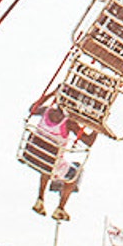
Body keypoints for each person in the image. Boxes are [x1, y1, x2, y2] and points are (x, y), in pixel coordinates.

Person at [28, 93, 97, 221]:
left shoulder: (45, 111)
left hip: (34, 155)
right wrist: (96, 128)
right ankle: (60, 207)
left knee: (47, 162)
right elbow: (88, 141)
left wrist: (52, 93)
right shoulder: (69, 123)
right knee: (75, 171)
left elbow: (32, 108)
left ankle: (40, 199)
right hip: (52, 162)